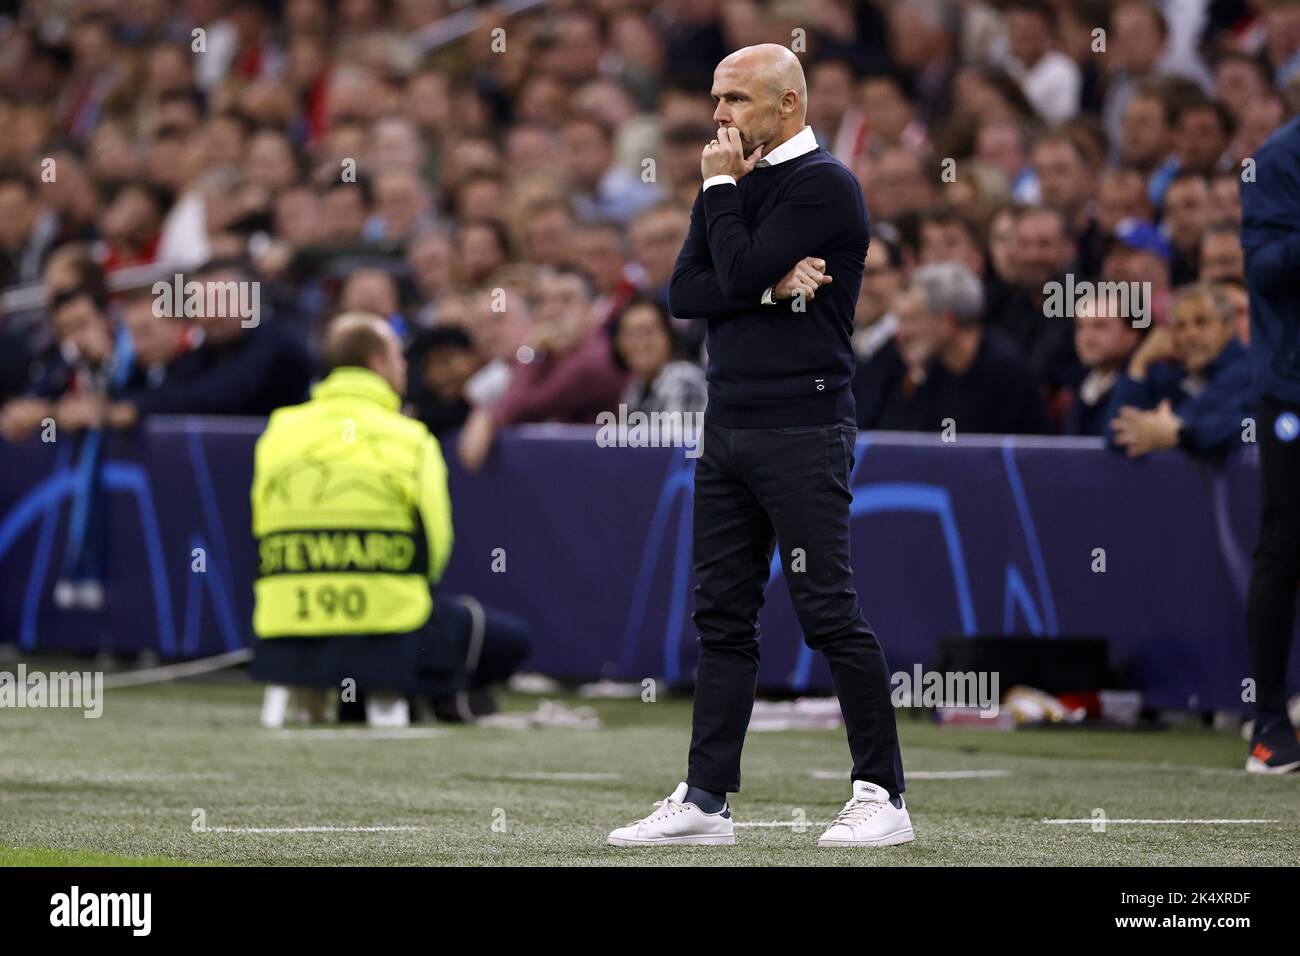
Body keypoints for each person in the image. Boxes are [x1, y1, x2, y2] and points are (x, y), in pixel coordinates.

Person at [610, 44, 912, 849]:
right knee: (722, 615)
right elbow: (686, 291)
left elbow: (728, 273)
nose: (719, 117)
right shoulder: (734, 187)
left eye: (737, 100)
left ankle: (883, 793)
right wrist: (765, 283)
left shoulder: (823, 186)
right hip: (729, 424)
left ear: (788, 107)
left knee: (827, 613)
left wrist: (725, 214)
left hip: (804, 425)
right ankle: (707, 799)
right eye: (716, 99)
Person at [249, 312, 530, 721]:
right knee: (508, 640)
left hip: (285, 637)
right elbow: (436, 549)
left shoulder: (279, 429)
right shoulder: (410, 437)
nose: (405, 368)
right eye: (399, 357)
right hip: (387, 639)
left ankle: (350, 696)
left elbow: (261, 525)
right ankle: (417, 696)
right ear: (378, 363)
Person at [1240, 113, 1300, 773]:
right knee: (1285, 542)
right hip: (1293, 388)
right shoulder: (1277, 159)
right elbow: (1265, 269)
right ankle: (1269, 721)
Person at [1105, 282, 1253, 459]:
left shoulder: (1248, 370)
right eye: (1180, 326)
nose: (1190, 334)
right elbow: (1116, 437)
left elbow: (1230, 424)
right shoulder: (1167, 375)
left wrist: (1178, 433)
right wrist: (1139, 363)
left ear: (1228, 327)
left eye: (1202, 322)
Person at [611, 295, 707, 415]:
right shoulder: (634, 388)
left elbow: (677, 434)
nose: (640, 343)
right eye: (630, 334)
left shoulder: (684, 382)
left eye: (648, 331)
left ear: (668, 336)